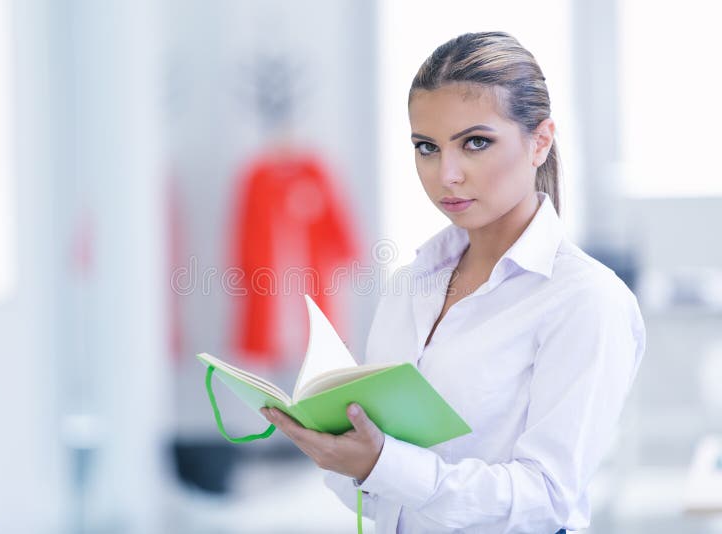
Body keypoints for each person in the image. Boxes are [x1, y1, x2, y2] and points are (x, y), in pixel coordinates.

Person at [260, 31, 645, 533]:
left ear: (540, 141)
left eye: (476, 143)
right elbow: (384, 498)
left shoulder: (586, 300)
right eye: (427, 147)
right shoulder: (412, 284)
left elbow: (547, 498)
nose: (448, 175)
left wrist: (385, 465)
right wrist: (346, 451)